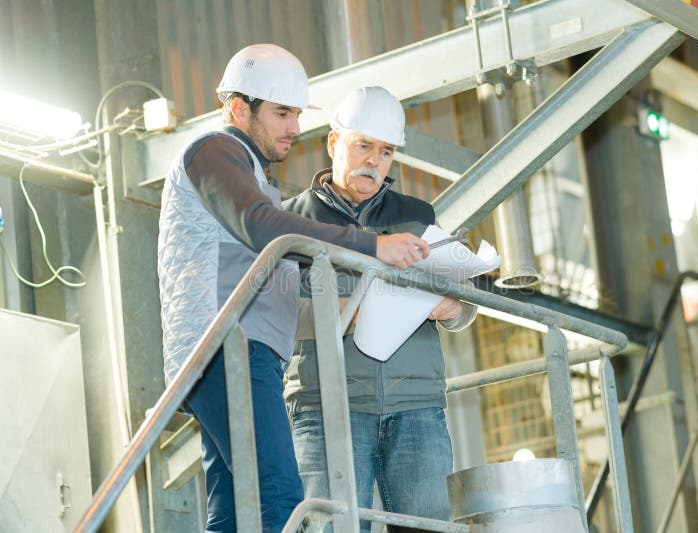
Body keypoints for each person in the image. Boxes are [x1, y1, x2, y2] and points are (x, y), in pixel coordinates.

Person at [157, 46, 429, 533]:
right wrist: (372, 246)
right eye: (282, 113)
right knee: (280, 498)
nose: (292, 127)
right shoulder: (215, 151)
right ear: (239, 108)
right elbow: (263, 228)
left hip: (230, 350)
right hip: (228, 347)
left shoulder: (251, 172)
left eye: (297, 114)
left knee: (234, 510)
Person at [283, 86, 477, 532]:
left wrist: (453, 309)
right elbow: (280, 316)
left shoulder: (417, 215)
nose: (374, 160)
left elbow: (466, 302)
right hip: (327, 407)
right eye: (363, 145)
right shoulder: (293, 221)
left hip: (417, 407)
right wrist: (350, 311)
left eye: (385, 151)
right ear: (334, 143)